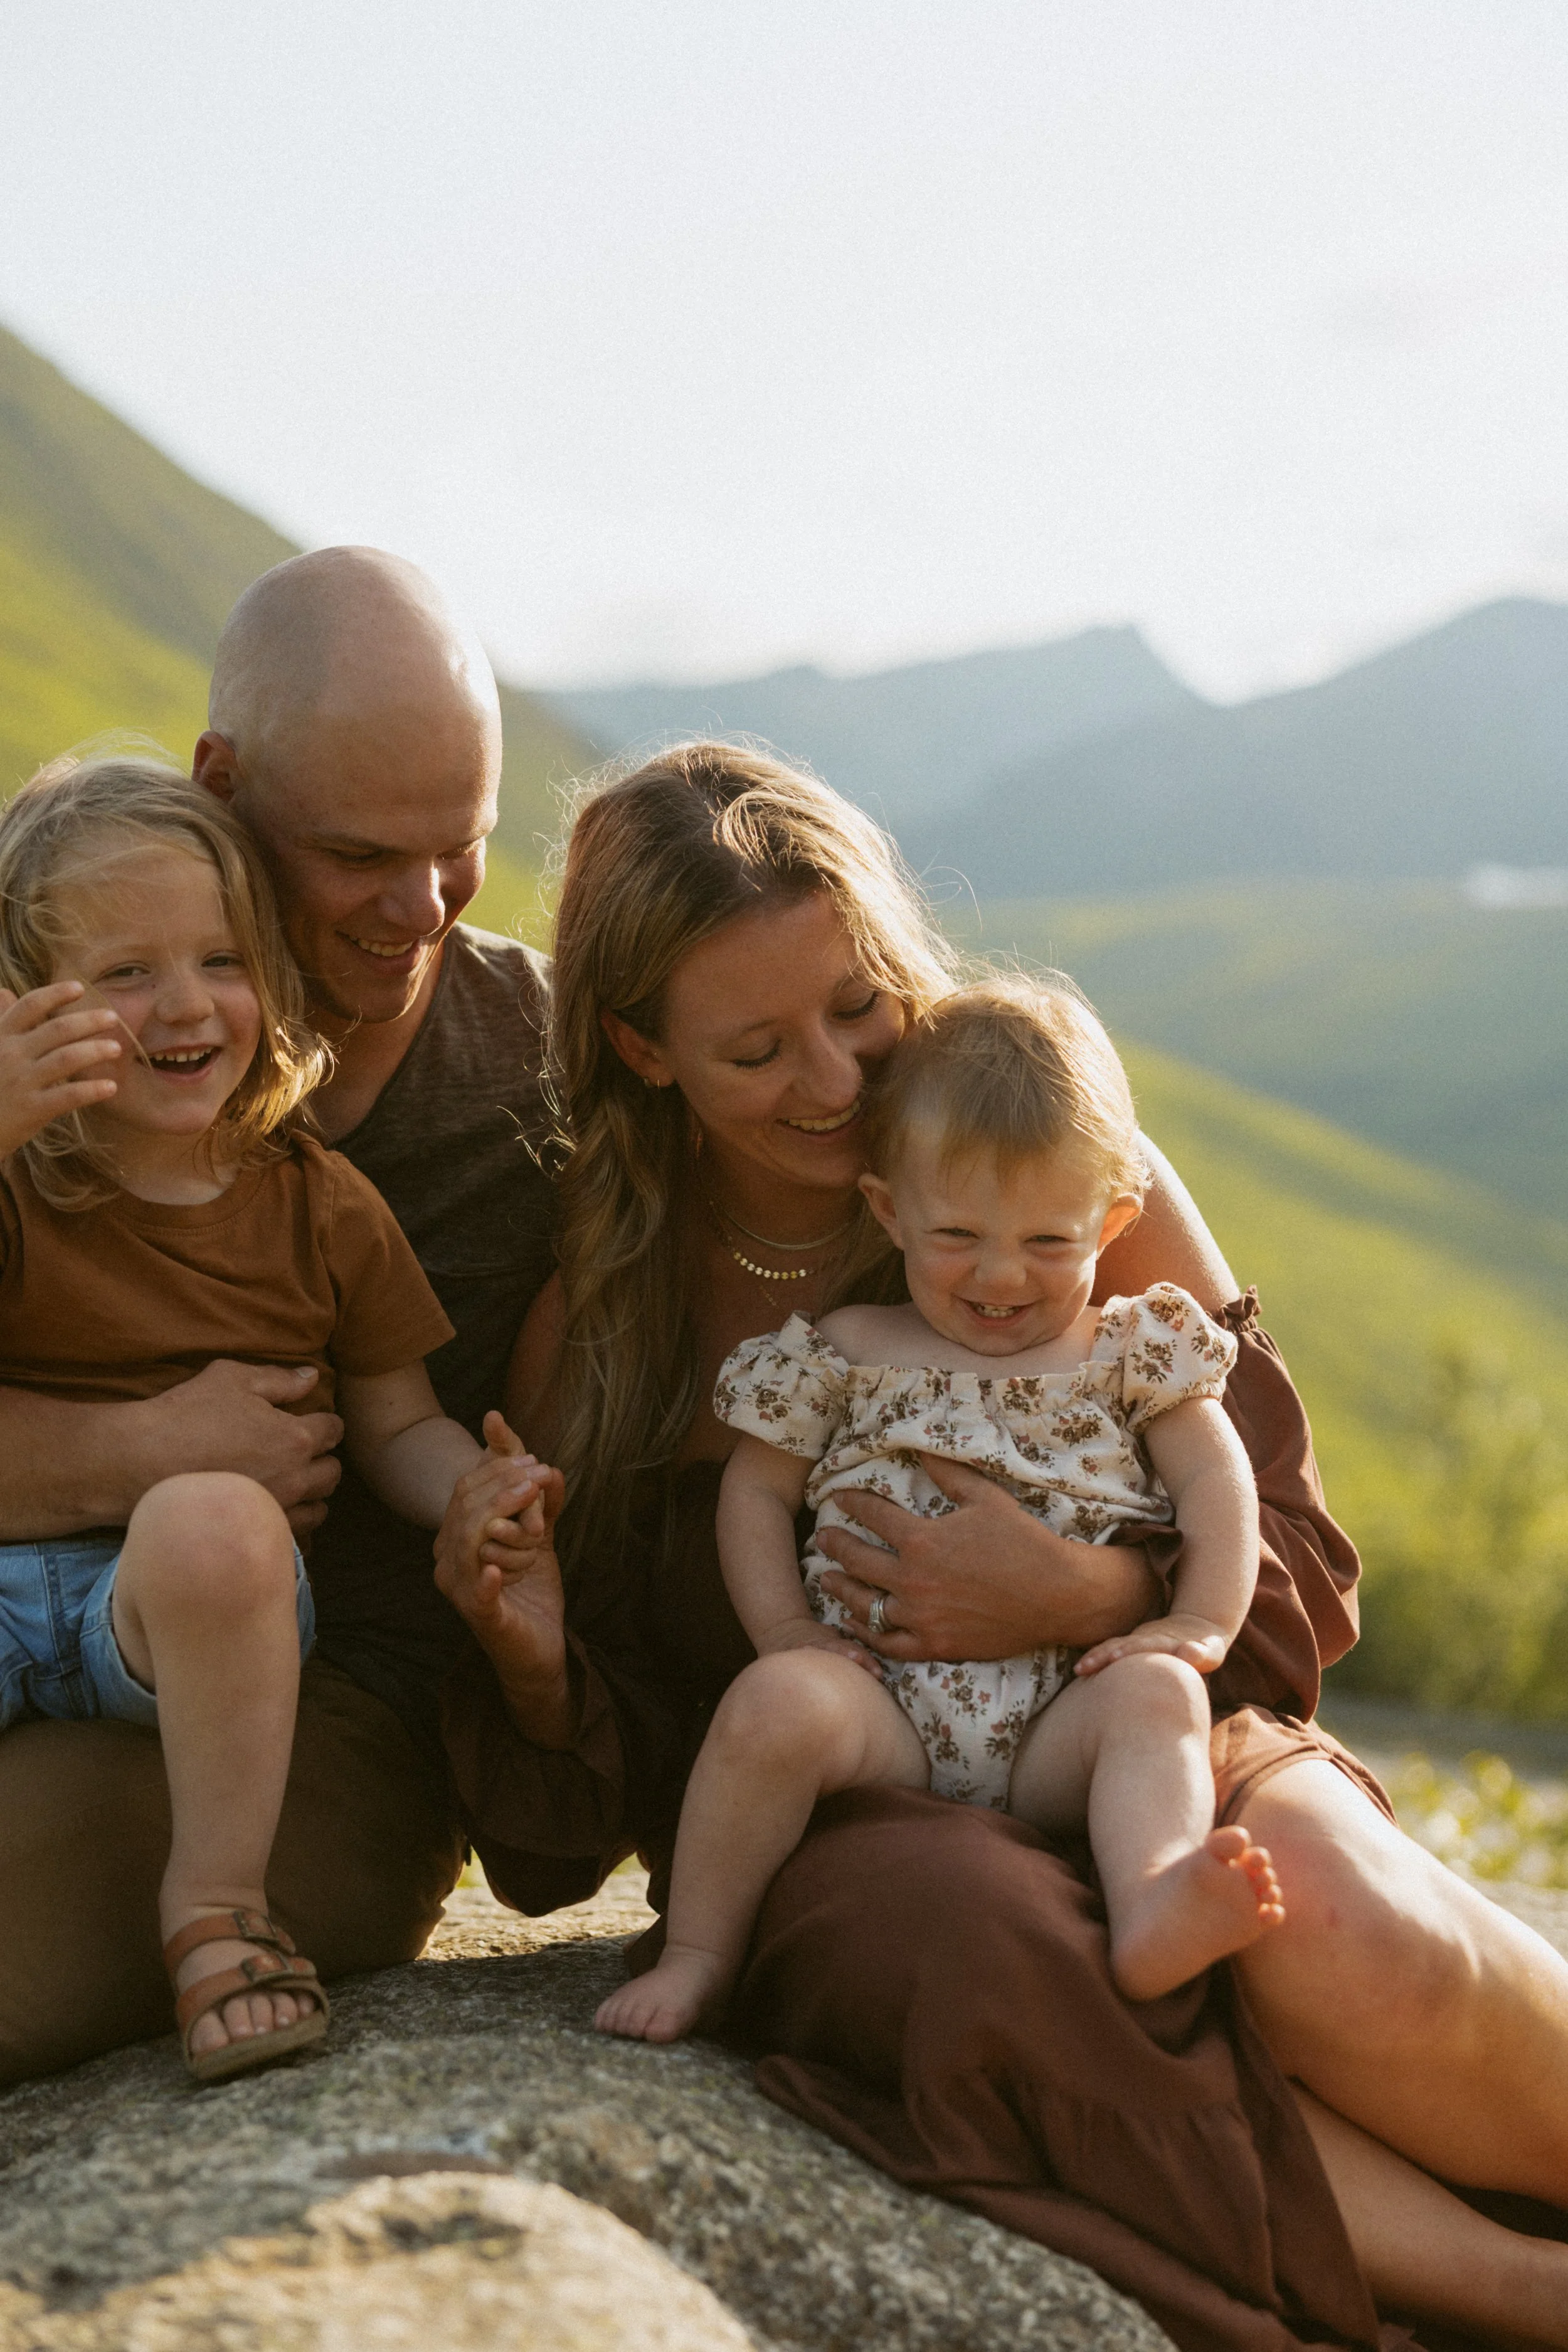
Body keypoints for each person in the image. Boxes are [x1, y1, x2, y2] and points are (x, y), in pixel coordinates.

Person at [440, 742, 1568, 2350]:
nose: (832, 1083)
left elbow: (1297, 1573)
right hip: (865, 1825)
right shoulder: (606, 1332)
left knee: (1313, 1902)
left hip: (1134, 1719)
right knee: (1013, 1961)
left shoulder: (1061, 1162)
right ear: (641, 1050)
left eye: (855, 1009)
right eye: (754, 1048)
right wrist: (530, 1656)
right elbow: (578, 1836)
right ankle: (1523, 2295)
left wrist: (1097, 1591)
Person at [0, 548, 562, 2085]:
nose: (418, 909)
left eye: (460, 851)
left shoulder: (542, 1071)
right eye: (361, 853)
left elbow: (921, 1112)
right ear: (222, 783)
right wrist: (134, 1448)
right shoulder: (31, 1018)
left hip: (316, 1727)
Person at [597, 978, 1284, 2043]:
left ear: (1111, 1222)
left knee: (1158, 1699)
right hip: (886, 1716)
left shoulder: (1130, 1348)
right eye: (958, 1232)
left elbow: (1219, 1484)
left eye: (1051, 1244)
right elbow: (755, 1489)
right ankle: (699, 1953)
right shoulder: (849, 1348)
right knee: (772, 1707)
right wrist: (787, 1634)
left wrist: (1195, 1624)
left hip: (1067, 1713)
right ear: (888, 1210)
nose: (1002, 1274)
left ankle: (1153, 1899)